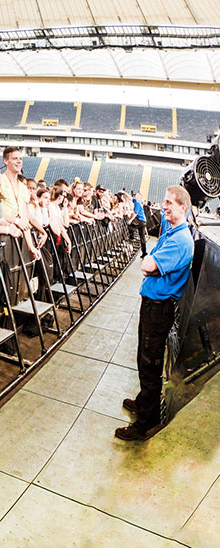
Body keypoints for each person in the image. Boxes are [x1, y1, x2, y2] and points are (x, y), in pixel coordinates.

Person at [117, 185, 194, 442]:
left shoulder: (181, 239)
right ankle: (143, 402)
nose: (164, 206)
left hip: (159, 308)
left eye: (170, 202)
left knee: (150, 363)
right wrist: (149, 265)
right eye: (164, 201)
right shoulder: (171, 232)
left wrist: (149, 265)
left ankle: (145, 423)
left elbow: (149, 263)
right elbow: (148, 262)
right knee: (143, 358)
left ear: (183, 207)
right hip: (152, 303)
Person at [128, 192, 148, 257]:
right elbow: (130, 197)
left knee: (130, 225)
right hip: (143, 221)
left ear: (139, 197)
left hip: (140, 220)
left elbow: (135, 213)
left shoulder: (138, 203)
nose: (135, 196)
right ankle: (144, 252)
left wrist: (130, 220)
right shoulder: (136, 201)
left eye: (136, 195)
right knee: (142, 237)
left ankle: (132, 236)